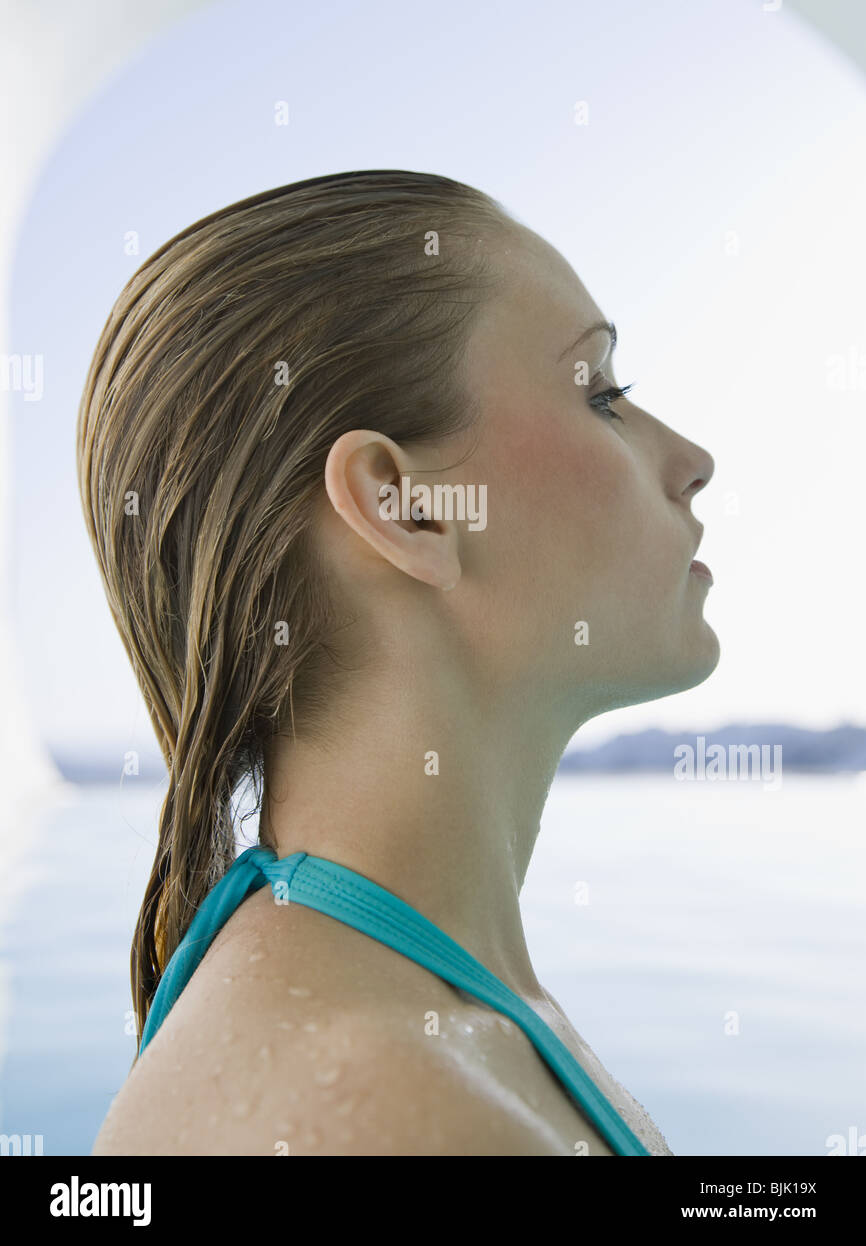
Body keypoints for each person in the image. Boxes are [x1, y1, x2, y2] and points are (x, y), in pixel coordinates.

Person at [78, 170, 717, 1156]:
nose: (690, 459)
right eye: (601, 393)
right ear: (403, 506)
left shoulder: (452, 1022)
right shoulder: (369, 1106)